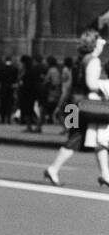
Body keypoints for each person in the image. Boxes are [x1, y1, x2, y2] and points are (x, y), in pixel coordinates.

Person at [43, 28, 109, 188]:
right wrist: (103, 90)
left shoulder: (79, 61)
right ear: (94, 44)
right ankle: (53, 169)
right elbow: (92, 84)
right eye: (100, 40)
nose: (103, 43)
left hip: (72, 104)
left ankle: (106, 175)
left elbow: (69, 87)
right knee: (77, 138)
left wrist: (60, 106)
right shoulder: (93, 61)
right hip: (86, 107)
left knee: (90, 138)